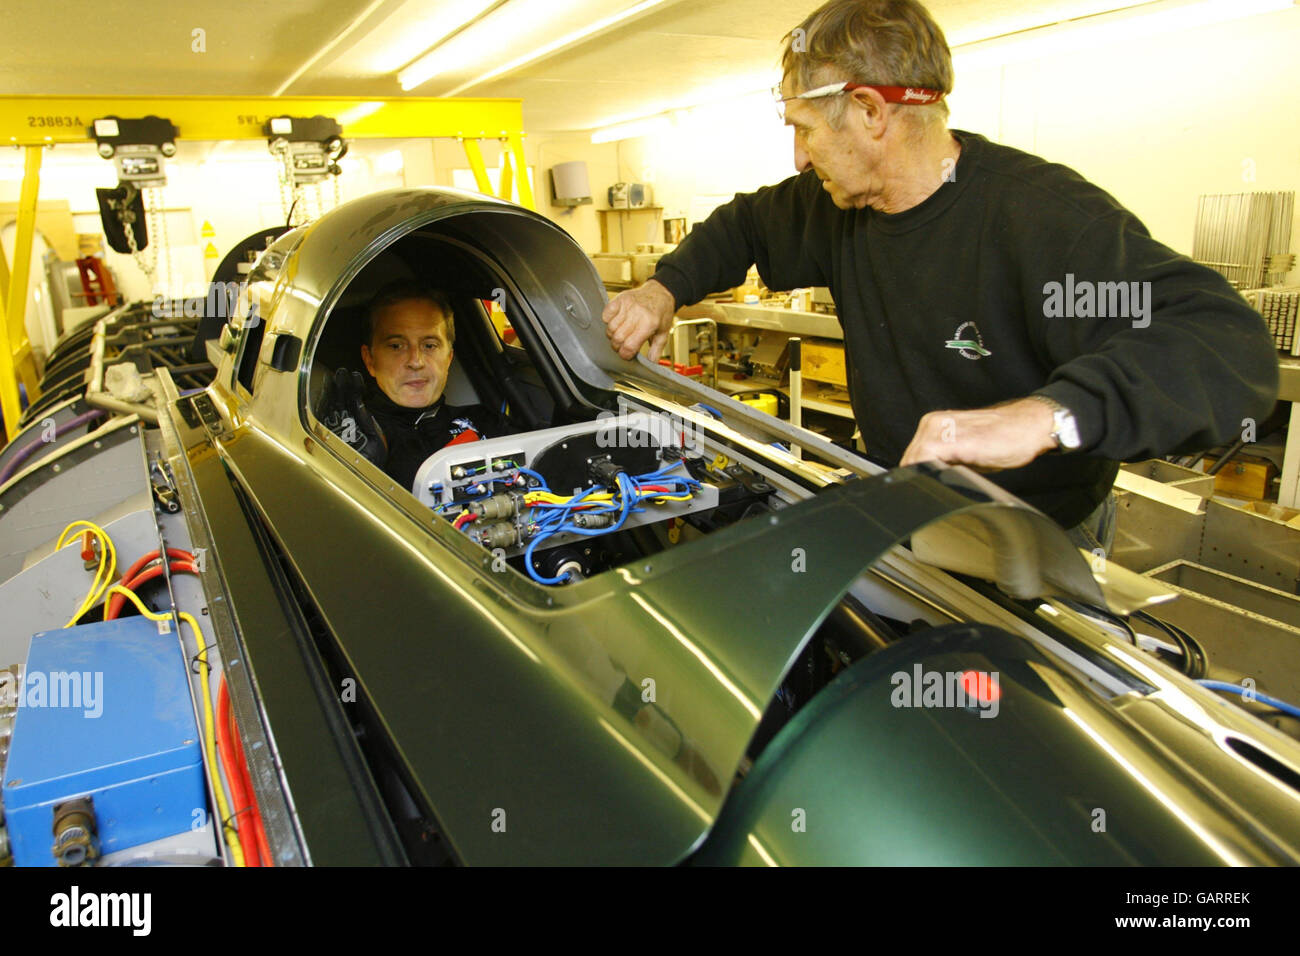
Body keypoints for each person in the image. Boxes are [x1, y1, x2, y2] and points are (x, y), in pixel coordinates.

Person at [602, 0, 1278, 553]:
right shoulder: (833, 207)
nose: (801, 158)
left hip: (1035, 531)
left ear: (870, 112)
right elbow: (745, 225)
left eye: (805, 129)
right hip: (907, 504)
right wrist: (665, 287)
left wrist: (1046, 417)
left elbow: (1223, 344)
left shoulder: (1039, 216)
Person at [323, 281, 494, 491]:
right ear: (370, 360)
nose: (416, 361)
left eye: (429, 345)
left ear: (449, 358)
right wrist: (352, 470)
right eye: (396, 346)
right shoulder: (354, 438)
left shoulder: (486, 421)